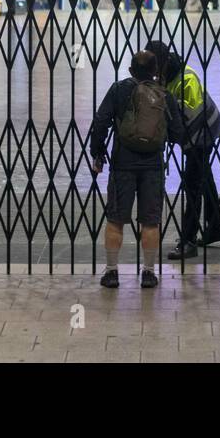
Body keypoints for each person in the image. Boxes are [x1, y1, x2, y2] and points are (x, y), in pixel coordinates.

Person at [89, 50, 187, 288]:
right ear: (155, 72)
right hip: (152, 165)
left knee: (115, 219)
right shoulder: (164, 95)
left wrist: (97, 153)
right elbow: (178, 133)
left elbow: (101, 121)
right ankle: (149, 273)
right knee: (151, 221)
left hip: (123, 164)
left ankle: (112, 272)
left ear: (131, 70)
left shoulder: (119, 90)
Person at [144, 40, 220, 259]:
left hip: (203, 130)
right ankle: (215, 226)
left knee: (192, 184)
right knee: (204, 177)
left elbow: (194, 115)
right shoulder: (163, 75)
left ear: (161, 63)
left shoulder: (186, 78)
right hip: (191, 134)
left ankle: (188, 240)